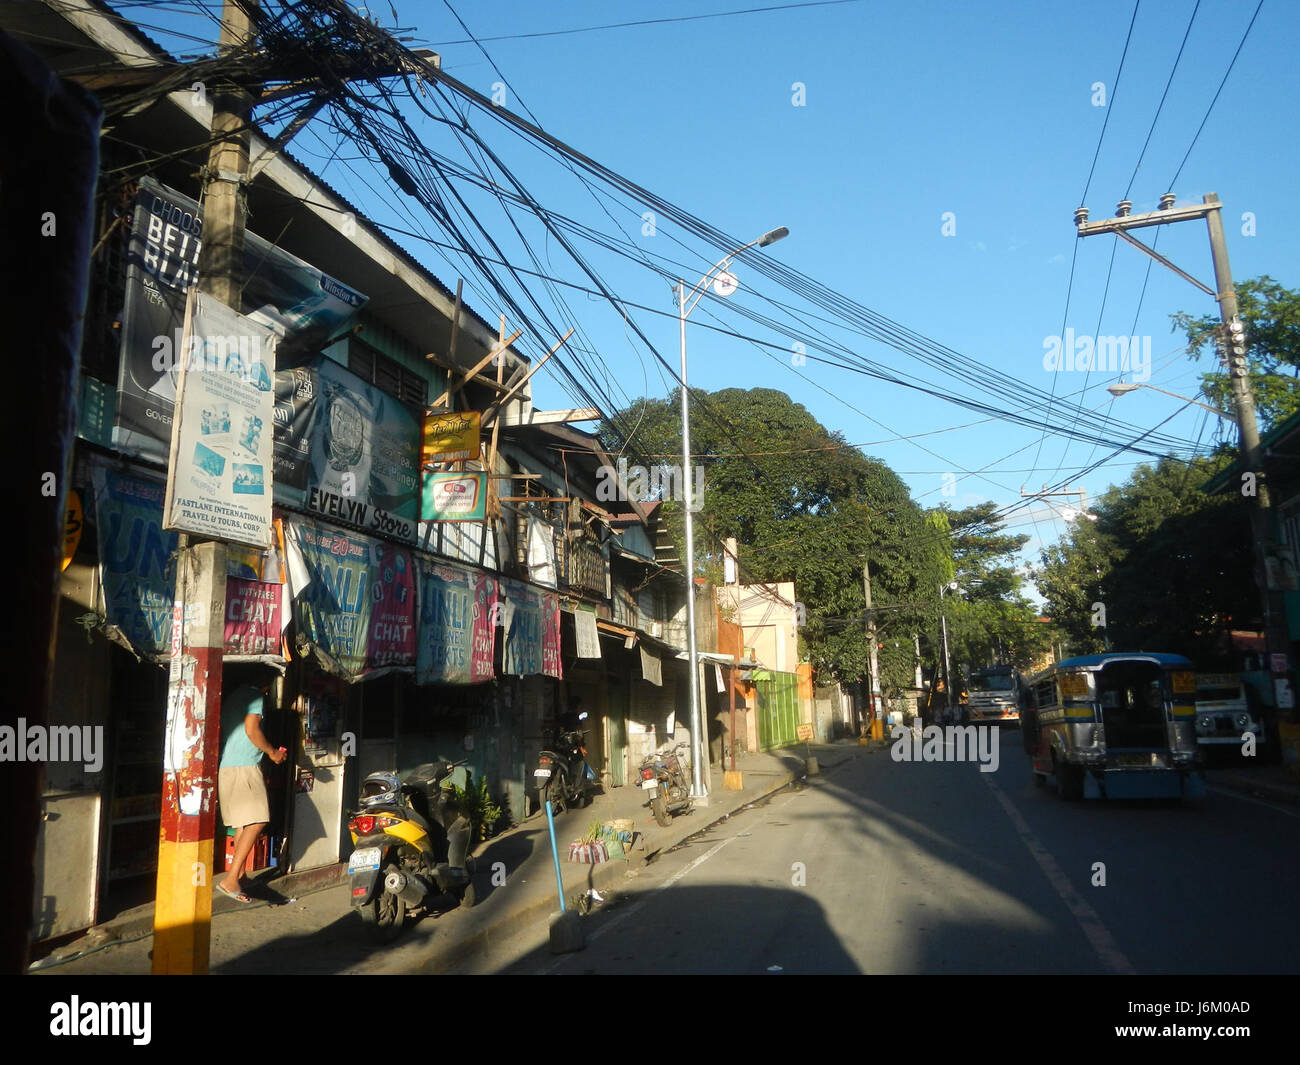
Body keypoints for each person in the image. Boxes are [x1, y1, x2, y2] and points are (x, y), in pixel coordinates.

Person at [217, 670, 286, 903]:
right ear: (266, 682)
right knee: (259, 819)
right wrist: (272, 752)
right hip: (244, 767)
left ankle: (240, 875)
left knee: (243, 822)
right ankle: (230, 880)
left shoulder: (233, 696)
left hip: (227, 767)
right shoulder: (256, 697)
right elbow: (251, 729)